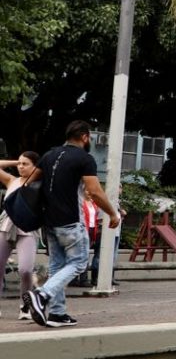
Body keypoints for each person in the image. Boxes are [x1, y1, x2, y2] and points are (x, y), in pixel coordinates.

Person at [26, 121, 120, 328]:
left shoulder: (49, 155)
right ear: (85, 137)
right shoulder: (85, 159)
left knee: (58, 266)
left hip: (49, 222)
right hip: (70, 221)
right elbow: (94, 191)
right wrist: (113, 213)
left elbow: (31, 181)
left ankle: (57, 314)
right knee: (78, 263)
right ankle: (42, 295)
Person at [0, 152, 42, 315]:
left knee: (25, 269)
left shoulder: (39, 184)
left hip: (28, 229)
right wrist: (16, 160)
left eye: (25, 164)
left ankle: (25, 305)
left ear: (35, 167)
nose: (21, 167)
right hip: (6, 226)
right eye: (20, 164)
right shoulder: (12, 180)